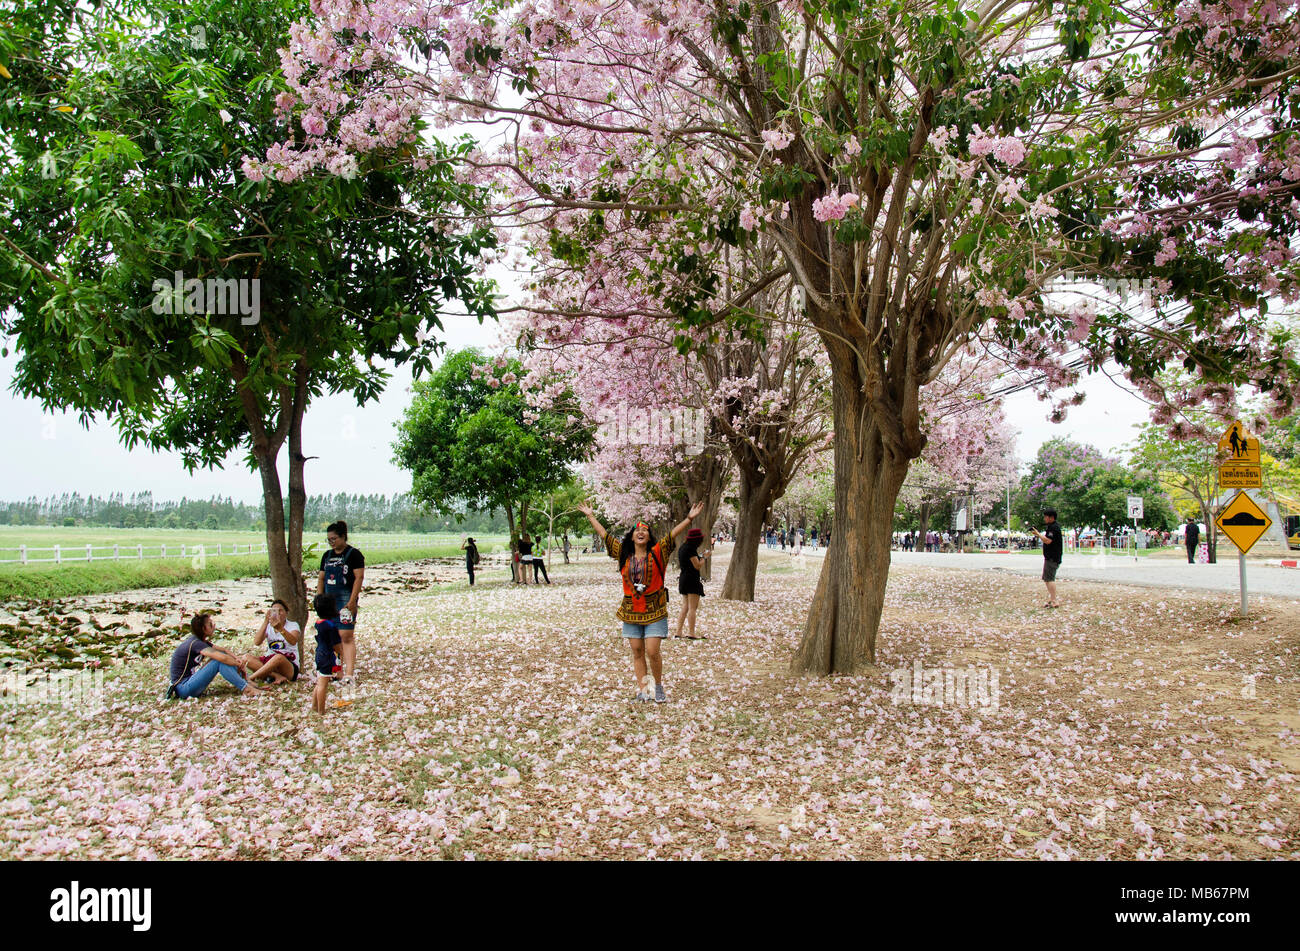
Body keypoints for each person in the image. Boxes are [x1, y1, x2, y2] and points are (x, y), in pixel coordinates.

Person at [578, 499, 705, 703]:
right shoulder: (623, 554)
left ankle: (659, 687)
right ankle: (644, 690)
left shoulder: (658, 553)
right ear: (632, 536)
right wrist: (591, 516)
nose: (641, 533)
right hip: (631, 611)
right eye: (637, 530)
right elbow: (605, 536)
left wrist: (689, 519)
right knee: (637, 651)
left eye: (645, 530)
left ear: (648, 536)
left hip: (654, 610)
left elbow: (672, 534)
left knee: (653, 651)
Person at [167, 613, 265, 699]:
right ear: (203, 629)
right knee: (219, 661)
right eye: (210, 625)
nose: (214, 626)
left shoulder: (201, 641)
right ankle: (246, 688)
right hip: (183, 688)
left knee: (222, 657)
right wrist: (239, 664)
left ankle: (246, 681)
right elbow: (222, 658)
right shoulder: (196, 643)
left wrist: (237, 659)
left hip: (189, 684)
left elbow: (224, 651)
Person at [316, 520, 364, 681]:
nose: (331, 542)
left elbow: (359, 578)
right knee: (331, 635)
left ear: (343, 537)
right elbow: (321, 578)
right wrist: (318, 598)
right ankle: (337, 670)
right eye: (329, 539)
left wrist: (352, 601)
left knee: (346, 635)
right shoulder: (327, 556)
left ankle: (349, 672)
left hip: (345, 598)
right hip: (328, 600)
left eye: (334, 539)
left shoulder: (354, 554)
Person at [244, 599, 300, 684]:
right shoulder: (269, 626)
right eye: (274, 611)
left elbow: (293, 641)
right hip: (269, 662)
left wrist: (280, 628)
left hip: (288, 665)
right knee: (246, 658)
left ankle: (251, 678)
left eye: (280, 611)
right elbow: (257, 642)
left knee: (278, 657)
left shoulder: (293, 625)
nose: (278, 613)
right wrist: (266, 622)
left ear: (286, 612)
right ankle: (276, 676)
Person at [674, 528, 712, 640]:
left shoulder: (683, 548)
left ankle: (678, 631)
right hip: (692, 579)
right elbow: (697, 565)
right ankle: (691, 632)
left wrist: (700, 555)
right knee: (692, 608)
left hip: (684, 578)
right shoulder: (690, 549)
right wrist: (704, 557)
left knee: (685, 607)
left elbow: (691, 560)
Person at [311, 594, 345, 714]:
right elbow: (335, 644)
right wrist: (341, 652)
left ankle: (314, 706)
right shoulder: (330, 626)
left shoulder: (318, 623)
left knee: (319, 681)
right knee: (323, 685)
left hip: (319, 653)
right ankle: (321, 710)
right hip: (327, 655)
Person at [1029, 508, 1064, 608]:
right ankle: (1052, 598)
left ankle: (1054, 600)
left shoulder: (1054, 528)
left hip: (1053, 557)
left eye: (1046, 517)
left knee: (1050, 578)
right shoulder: (1051, 527)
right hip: (1050, 556)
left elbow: (1048, 540)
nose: (1044, 519)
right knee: (1047, 578)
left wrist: (1038, 534)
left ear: (1051, 517)